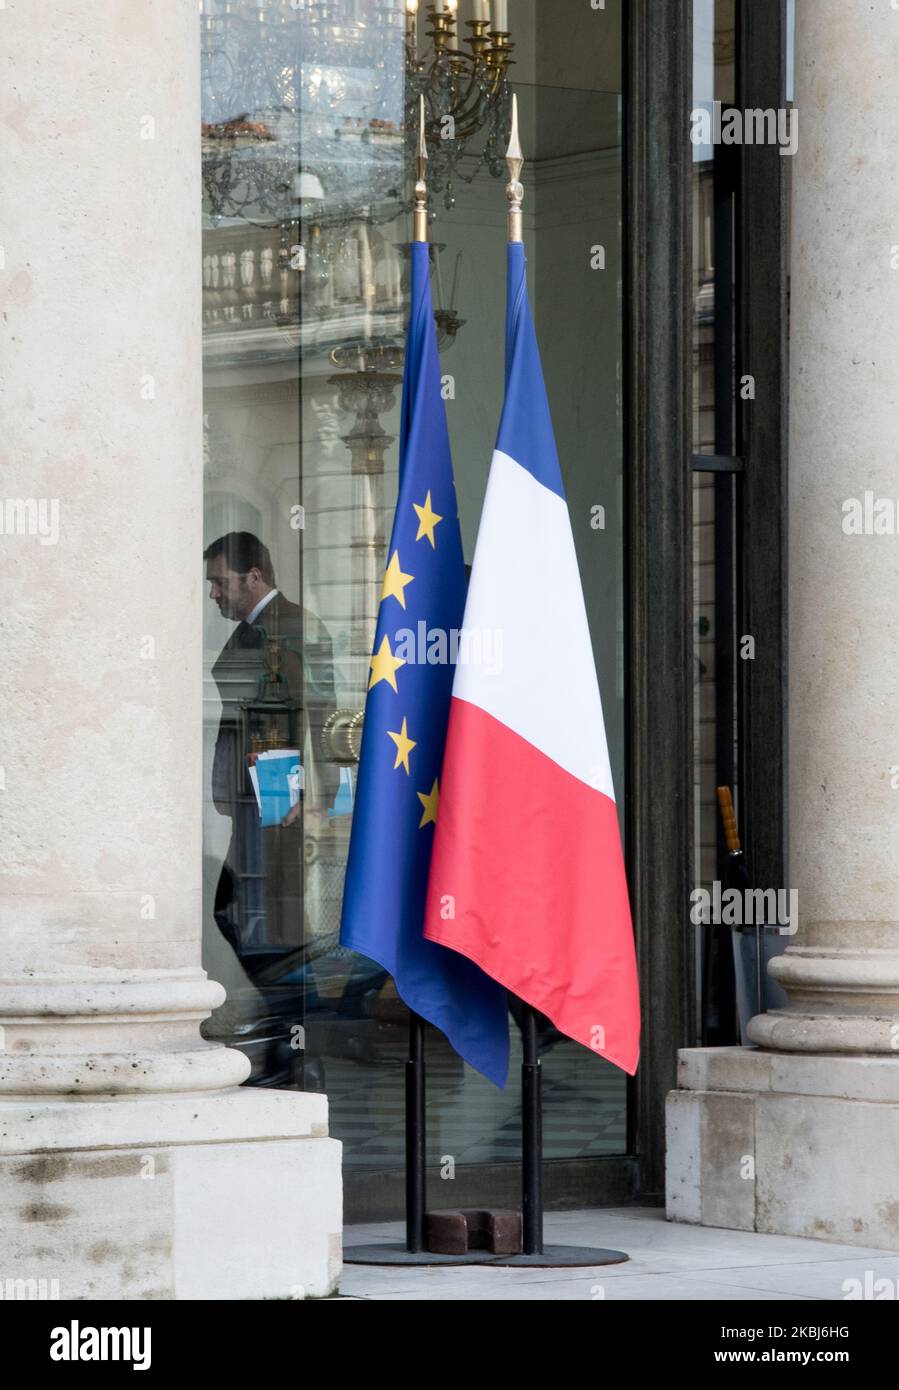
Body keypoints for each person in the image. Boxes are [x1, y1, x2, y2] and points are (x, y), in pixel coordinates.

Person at [204, 530, 338, 988]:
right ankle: (298, 1020)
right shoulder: (252, 629)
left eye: (221, 581)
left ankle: (300, 1021)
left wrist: (316, 795)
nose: (213, 593)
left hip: (281, 798)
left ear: (253, 577)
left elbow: (321, 711)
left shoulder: (297, 625)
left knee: (261, 915)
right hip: (255, 796)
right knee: (253, 914)